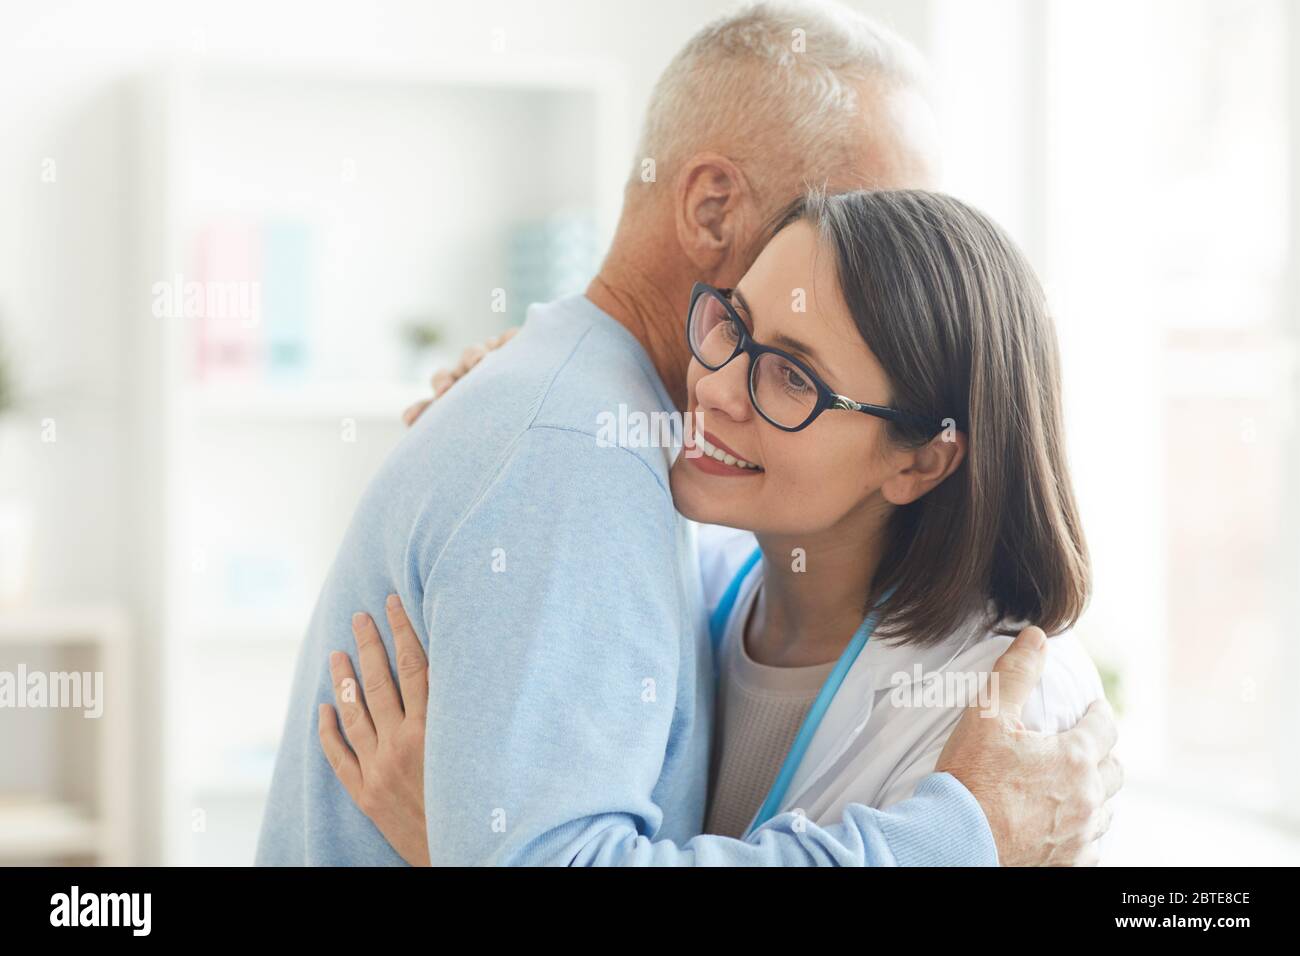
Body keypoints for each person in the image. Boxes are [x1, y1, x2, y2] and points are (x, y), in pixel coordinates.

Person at [256, 1, 1120, 867]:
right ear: (713, 212)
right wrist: (950, 846)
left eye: (793, 373)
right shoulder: (581, 456)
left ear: (924, 456)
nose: (891, 256)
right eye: (867, 212)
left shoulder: (1006, 707)